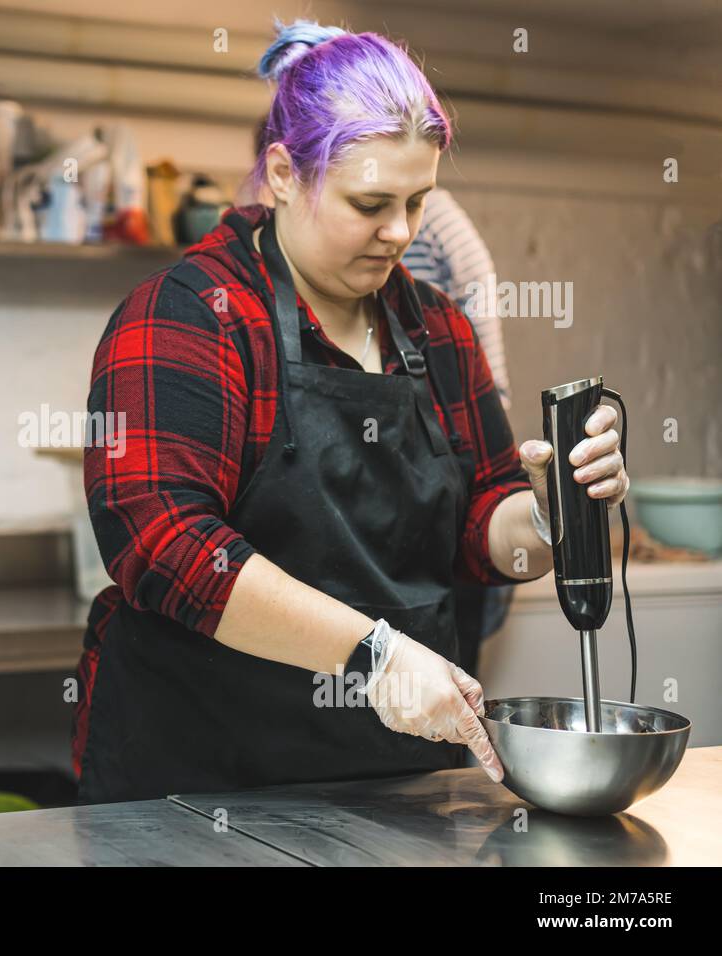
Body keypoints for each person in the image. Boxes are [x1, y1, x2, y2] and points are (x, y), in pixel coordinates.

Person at [71, 19, 629, 804]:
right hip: (198, 790)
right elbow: (167, 547)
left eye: (417, 202)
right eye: (369, 203)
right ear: (282, 175)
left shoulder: (437, 329)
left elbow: (483, 527)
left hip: (396, 787)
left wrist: (548, 515)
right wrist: (374, 656)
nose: (399, 233)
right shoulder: (189, 316)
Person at [402, 188, 515, 679]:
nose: (394, 229)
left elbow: (478, 288)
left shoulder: (439, 216)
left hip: (446, 452)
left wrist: (488, 409)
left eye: (409, 205)